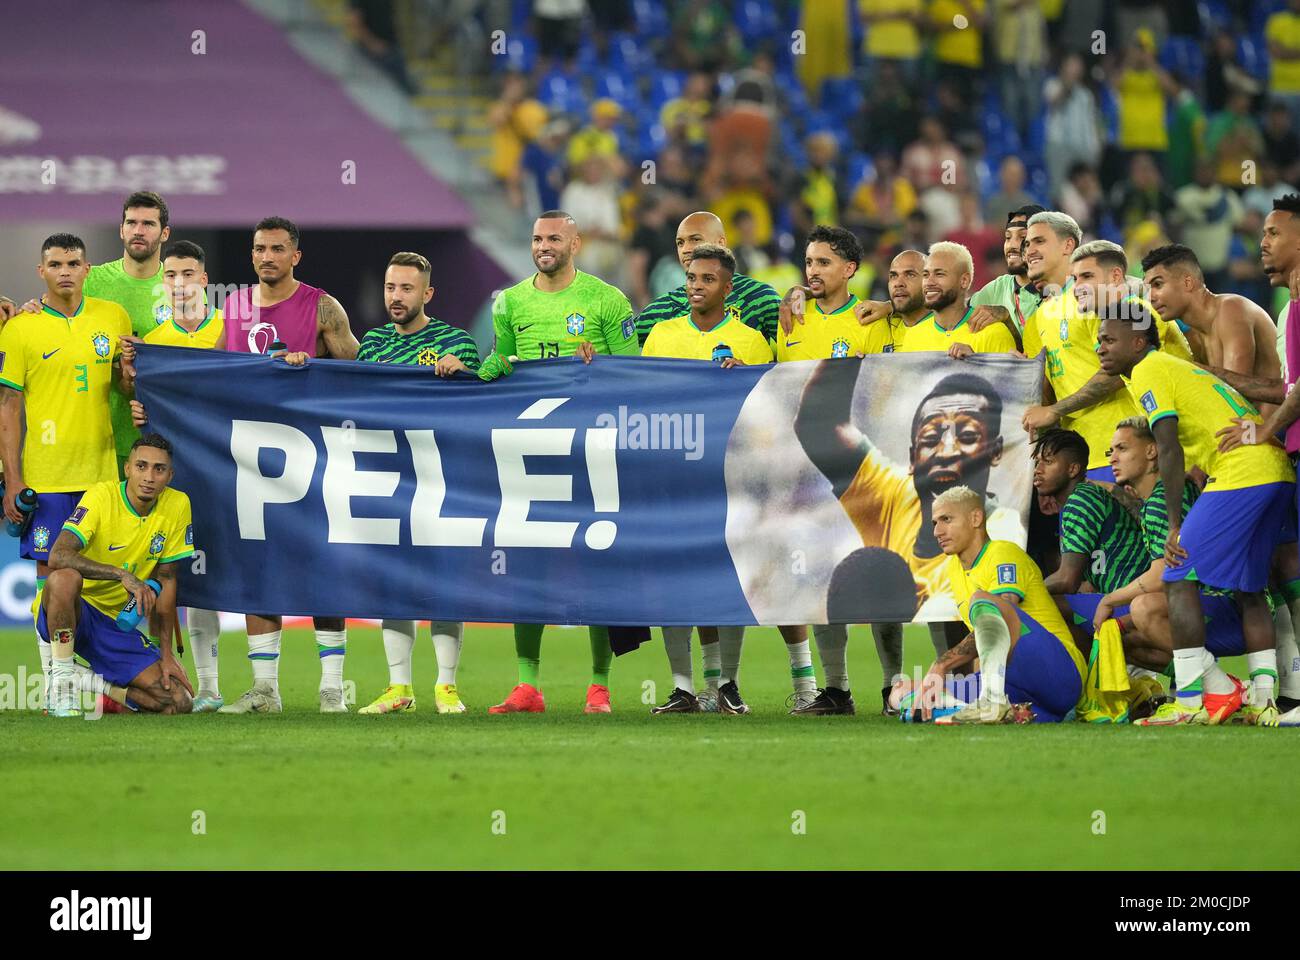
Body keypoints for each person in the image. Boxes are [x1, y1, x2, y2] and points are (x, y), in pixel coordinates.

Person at [1096, 307, 1294, 725]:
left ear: (1137, 342)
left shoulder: (1150, 368)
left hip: (1242, 473)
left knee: (1176, 575)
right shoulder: (1170, 368)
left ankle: (1190, 701)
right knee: (1250, 588)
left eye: (1109, 340)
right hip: (1275, 472)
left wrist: (1173, 525)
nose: (1100, 349)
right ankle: (1262, 700)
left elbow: (1168, 447)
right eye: (1099, 340)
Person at [489, 210, 638, 715]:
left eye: (554, 237)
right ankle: (527, 685)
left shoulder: (607, 300)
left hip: (592, 451)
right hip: (532, 452)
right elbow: (501, 363)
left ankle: (599, 686)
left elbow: (635, 374)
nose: (543, 245)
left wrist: (605, 367)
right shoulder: (509, 302)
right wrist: (471, 370)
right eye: (536, 238)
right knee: (530, 565)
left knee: (592, 564)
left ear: (574, 244)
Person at [218, 216, 360, 715]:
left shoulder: (322, 307)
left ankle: (331, 687)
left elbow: (361, 377)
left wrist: (314, 366)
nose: (267, 257)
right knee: (258, 569)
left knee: (321, 567)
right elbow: (213, 376)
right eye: (259, 248)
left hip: (313, 459)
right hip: (250, 460)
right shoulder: (233, 306)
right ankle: (265, 690)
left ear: (295, 255)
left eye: (278, 249)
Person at [0, 234, 131, 710]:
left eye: (73, 262)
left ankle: (94, 678)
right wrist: (12, 479)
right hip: (47, 477)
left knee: (91, 581)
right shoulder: (19, 331)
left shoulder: (112, 318)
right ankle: (54, 684)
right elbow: (9, 408)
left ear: (87, 267)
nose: (65, 272)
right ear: (41, 272)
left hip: (100, 476)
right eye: (55, 264)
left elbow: (125, 381)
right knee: (50, 578)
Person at [640, 244, 771, 715]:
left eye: (707, 279)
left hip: (727, 476)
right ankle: (682, 686)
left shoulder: (752, 341)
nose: (696, 286)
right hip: (672, 475)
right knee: (673, 577)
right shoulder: (660, 335)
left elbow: (766, 412)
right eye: (691, 278)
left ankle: (728, 684)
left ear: (727, 286)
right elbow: (640, 399)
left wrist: (741, 382)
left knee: (728, 577)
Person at [352, 252, 482, 717]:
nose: (396, 297)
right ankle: (398, 687)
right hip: (388, 480)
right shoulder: (371, 345)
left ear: (427, 294)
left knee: (443, 583)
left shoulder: (457, 342)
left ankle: (446, 687)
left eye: (406, 289)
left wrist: (463, 372)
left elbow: (482, 396)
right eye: (390, 288)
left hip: (442, 481)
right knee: (395, 585)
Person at [776, 227, 897, 717]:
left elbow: (891, 388)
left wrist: (890, 305)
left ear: (849, 270)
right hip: (805, 473)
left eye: (824, 262)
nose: (812, 271)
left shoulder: (872, 320)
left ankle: (892, 687)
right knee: (822, 578)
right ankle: (837, 689)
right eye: (808, 261)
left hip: (865, 470)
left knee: (880, 578)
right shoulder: (790, 320)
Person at [795, 365, 1024, 620]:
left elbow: (993, 611)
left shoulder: (1003, 532)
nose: (947, 450)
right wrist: (850, 350)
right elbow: (819, 426)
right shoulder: (896, 496)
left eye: (968, 435)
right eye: (930, 439)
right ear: (913, 458)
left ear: (995, 451)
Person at [1091, 418, 1265, 719]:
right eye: (1110, 452)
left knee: (1144, 607)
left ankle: (1220, 687)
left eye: (1121, 448)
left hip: (1233, 609)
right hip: (1210, 609)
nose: (1112, 459)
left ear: (1151, 452)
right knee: (1125, 642)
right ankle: (1221, 689)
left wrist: (1109, 599)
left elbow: (1161, 577)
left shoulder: (1163, 500)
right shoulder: (1155, 500)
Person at [1019, 220, 1190, 483]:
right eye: (1026, 243)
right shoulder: (1038, 321)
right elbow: (1045, 392)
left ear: (1068, 246)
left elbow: (1116, 371)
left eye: (1039, 241)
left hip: (1134, 450)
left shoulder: (1120, 306)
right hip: (1082, 458)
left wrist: (1056, 410)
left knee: (1157, 522)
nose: (1028, 249)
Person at [40, 433, 195, 716]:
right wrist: (119, 574)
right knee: (64, 578)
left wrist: (167, 654)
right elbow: (58, 555)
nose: (149, 476)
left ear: (169, 475)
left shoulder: (178, 505)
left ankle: (101, 688)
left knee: (178, 702)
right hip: (77, 612)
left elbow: (167, 580)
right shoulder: (102, 496)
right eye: (141, 466)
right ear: (127, 469)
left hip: (117, 626)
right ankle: (62, 682)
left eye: (158, 469)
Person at [133, 241, 225, 711]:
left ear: (204, 280)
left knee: (225, 571)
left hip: (228, 471)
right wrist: (139, 411)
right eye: (170, 275)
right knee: (179, 573)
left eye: (188, 274)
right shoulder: (152, 344)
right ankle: (195, 683)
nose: (179, 283)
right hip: (173, 480)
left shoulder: (229, 332)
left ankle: (241, 684)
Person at [921, 485, 1086, 724]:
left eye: (946, 519)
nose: (937, 531)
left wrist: (942, 663)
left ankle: (992, 702)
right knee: (906, 695)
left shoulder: (1002, 553)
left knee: (983, 600)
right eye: (935, 523)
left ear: (976, 518)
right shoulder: (954, 569)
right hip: (1014, 682)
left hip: (1059, 674)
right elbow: (987, 644)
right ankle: (1017, 712)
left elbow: (1002, 616)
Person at [80, 192, 171, 477]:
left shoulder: (182, 288)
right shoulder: (89, 281)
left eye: (148, 224)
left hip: (159, 440)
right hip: (97, 440)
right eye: (131, 222)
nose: (138, 231)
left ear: (164, 232)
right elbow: (48, 318)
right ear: (121, 229)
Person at [1029, 429, 1148, 639]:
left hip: (1134, 602)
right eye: (1037, 462)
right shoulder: (1081, 498)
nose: (1037, 470)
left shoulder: (1081, 500)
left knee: (1034, 608)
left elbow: (1067, 580)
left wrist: (1020, 591)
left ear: (1073, 469)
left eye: (1047, 462)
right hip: (1122, 600)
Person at [1142, 243, 1281, 417]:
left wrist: (1189, 371)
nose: (1151, 297)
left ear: (1187, 282)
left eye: (1158, 284)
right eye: (1148, 290)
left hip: (1282, 433)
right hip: (1249, 434)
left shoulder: (1231, 309)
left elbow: (1235, 399)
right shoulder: (1193, 336)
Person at [635, 211, 781, 345]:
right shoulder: (663, 309)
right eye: (680, 243)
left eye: (695, 239)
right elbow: (618, 351)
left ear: (721, 244)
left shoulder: (759, 297)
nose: (685, 249)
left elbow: (796, 351)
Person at [897, 242, 1016, 355]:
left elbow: (1006, 376)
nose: (929, 282)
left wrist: (976, 361)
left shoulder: (994, 333)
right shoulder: (913, 336)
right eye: (926, 275)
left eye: (939, 274)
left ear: (964, 281)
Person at [969, 204, 1046, 330]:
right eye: (1008, 237)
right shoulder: (995, 290)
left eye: (1022, 237)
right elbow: (956, 318)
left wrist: (1007, 319)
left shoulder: (1063, 290)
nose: (1012, 245)